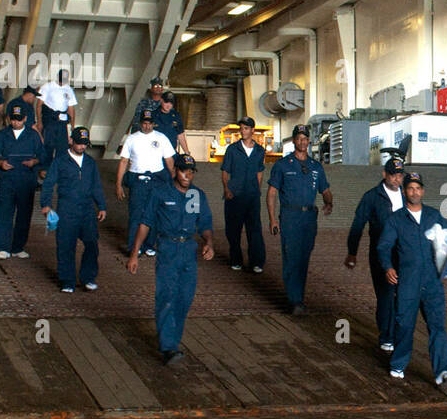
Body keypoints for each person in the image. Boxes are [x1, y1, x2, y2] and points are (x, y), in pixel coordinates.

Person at [376, 172, 447, 384]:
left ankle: (444, 369)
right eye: (410, 188)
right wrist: (388, 267)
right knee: (405, 325)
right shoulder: (396, 220)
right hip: (408, 282)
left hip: (432, 281)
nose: (414, 192)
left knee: (437, 326)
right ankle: (398, 364)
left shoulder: (434, 216)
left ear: (422, 191)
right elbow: (384, 247)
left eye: (418, 188)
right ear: (404, 191)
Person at [127, 153, 214, 365]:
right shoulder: (159, 193)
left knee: (184, 298)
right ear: (175, 171)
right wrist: (134, 254)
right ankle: (168, 347)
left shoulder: (198, 195)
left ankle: (173, 341)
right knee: (167, 296)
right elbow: (145, 223)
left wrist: (209, 243)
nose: (187, 175)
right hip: (167, 247)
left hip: (189, 249)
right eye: (184, 170)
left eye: (191, 171)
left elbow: (205, 225)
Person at [266, 123, 332, 315]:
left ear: (309, 141)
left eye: (305, 138)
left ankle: (298, 297)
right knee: (291, 257)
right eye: (299, 138)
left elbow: (325, 190)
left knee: (303, 258)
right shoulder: (282, 165)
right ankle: (295, 300)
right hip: (290, 216)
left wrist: (329, 203)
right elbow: (271, 193)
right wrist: (272, 219)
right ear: (294, 141)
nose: (302, 141)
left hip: (309, 217)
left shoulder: (315, 167)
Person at [345, 158, 405, 351]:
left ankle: (397, 333)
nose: (397, 179)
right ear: (384, 174)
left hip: (403, 254)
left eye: (399, 175)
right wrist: (352, 252)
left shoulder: (407, 196)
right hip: (381, 254)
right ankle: (386, 336)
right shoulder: (371, 197)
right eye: (393, 175)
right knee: (386, 294)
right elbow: (357, 226)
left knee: (402, 295)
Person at [40, 126, 106, 293]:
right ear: (71, 141)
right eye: (79, 143)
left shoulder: (90, 163)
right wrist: (46, 205)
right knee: (65, 246)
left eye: (85, 144)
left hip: (87, 210)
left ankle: (88, 278)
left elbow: (97, 186)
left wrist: (102, 206)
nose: (82, 147)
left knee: (92, 243)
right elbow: (48, 183)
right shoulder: (60, 161)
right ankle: (67, 281)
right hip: (67, 209)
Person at [116, 107, 175, 258]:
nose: (147, 126)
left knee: (154, 213)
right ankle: (134, 247)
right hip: (138, 179)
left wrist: (174, 180)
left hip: (157, 179)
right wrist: (118, 185)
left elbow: (169, 160)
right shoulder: (132, 138)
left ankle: (149, 245)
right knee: (136, 214)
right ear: (140, 123)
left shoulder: (161, 138)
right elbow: (123, 162)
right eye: (144, 123)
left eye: (150, 123)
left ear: (154, 124)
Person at [0, 102, 45, 259]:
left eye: (19, 120)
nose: (16, 122)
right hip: (8, 179)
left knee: (24, 214)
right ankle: (2, 247)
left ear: (25, 118)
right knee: (4, 212)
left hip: (27, 180)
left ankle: (18, 246)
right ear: (8, 118)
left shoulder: (33, 136)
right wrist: (0, 163)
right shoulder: (2, 135)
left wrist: (34, 162)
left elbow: (43, 156)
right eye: (13, 119)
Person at [221, 116, 267, 273]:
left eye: (246, 128)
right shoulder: (232, 149)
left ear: (252, 130)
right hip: (235, 195)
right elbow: (225, 171)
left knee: (254, 230)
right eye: (241, 128)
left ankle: (256, 262)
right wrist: (227, 189)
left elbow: (260, 172)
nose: (243, 131)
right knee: (233, 230)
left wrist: (257, 190)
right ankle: (236, 260)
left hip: (252, 196)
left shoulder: (260, 151)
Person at [36, 68, 78, 176]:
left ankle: (59, 170)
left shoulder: (69, 90)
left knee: (62, 147)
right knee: (48, 145)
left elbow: (71, 109)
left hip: (62, 122)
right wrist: (39, 122)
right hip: (50, 119)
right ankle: (44, 169)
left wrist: (73, 128)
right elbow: (39, 105)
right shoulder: (48, 87)